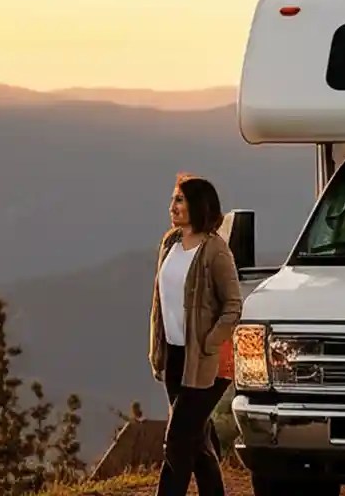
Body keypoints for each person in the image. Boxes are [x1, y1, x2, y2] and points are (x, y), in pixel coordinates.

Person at [149, 174, 243, 496]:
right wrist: (157, 347)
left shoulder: (216, 251)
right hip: (176, 357)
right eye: (173, 199)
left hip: (208, 362)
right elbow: (159, 301)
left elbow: (233, 305)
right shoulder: (170, 243)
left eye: (180, 200)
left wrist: (210, 342)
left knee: (177, 439)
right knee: (197, 439)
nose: (172, 206)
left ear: (198, 205)